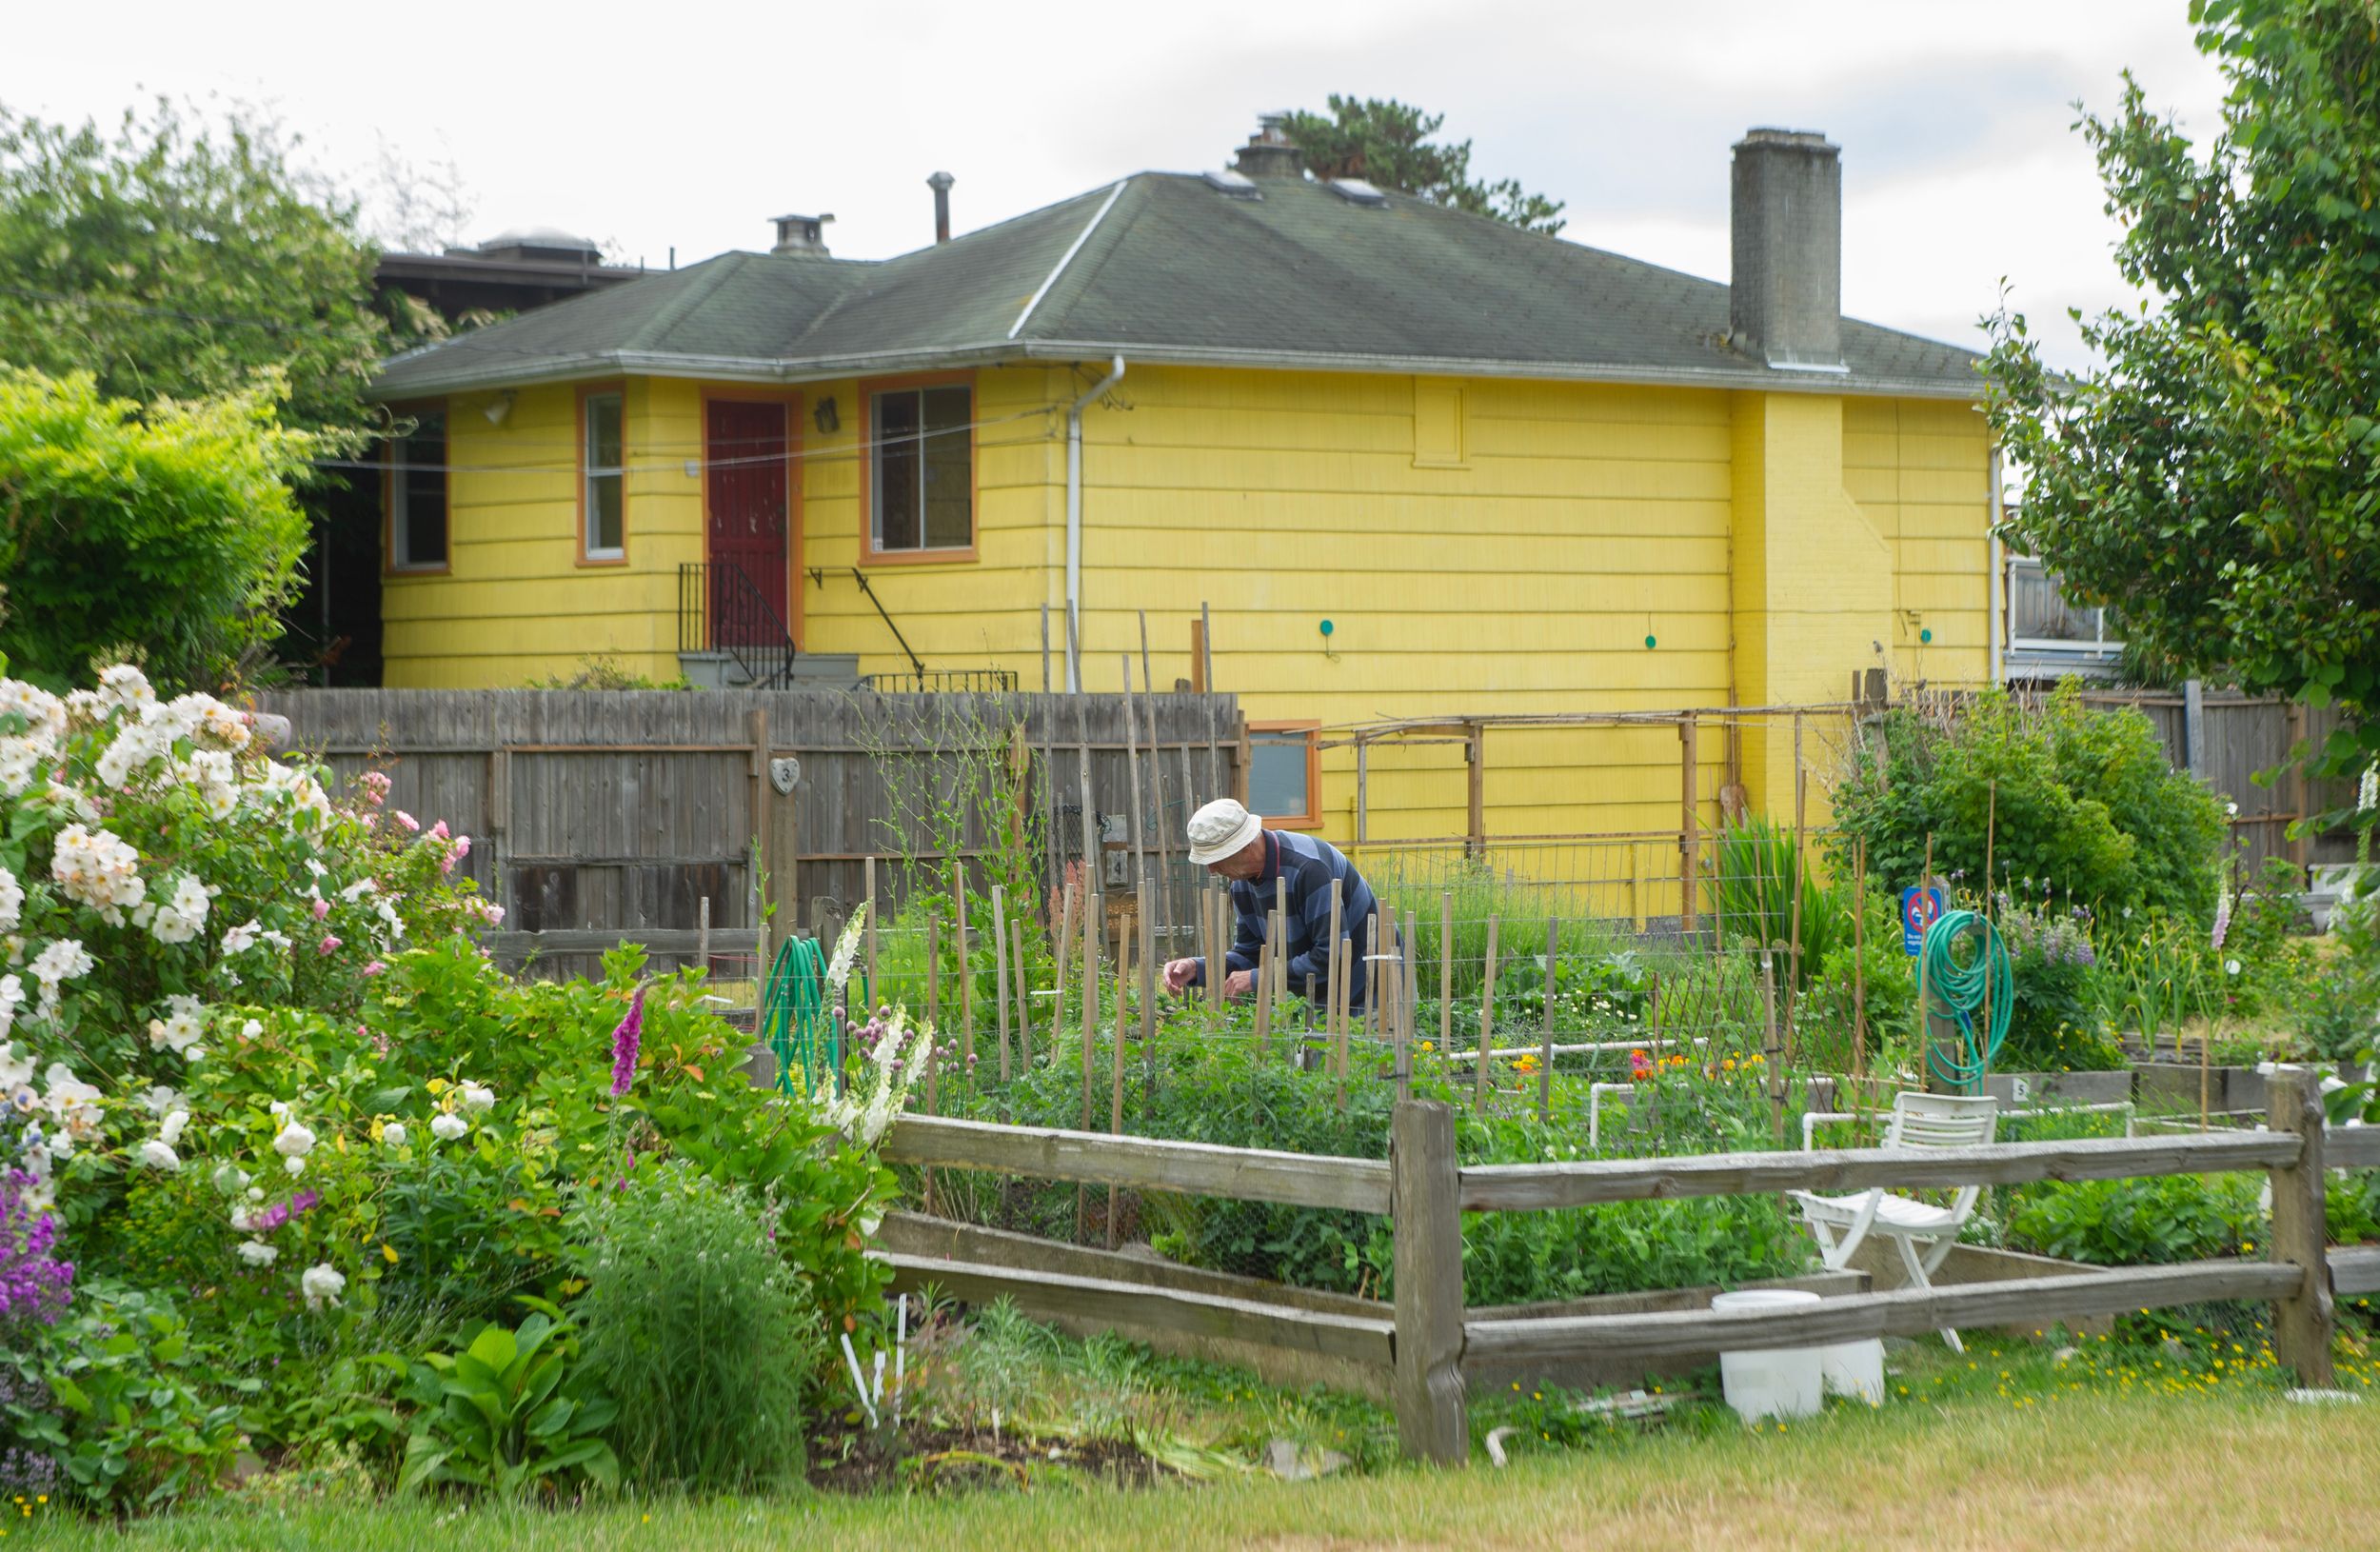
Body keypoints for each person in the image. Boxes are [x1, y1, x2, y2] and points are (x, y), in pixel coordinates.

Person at [1161, 797, 1389, 1014]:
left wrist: (1258, 978)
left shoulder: (1309, 869)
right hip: (1316, 1002)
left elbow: (1332, 955)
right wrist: (1197, 968)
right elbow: (1250, 954)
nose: (1211, 870)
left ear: (1243, 847)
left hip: (1369, 994)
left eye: (1215, 859)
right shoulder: (1242, 883)